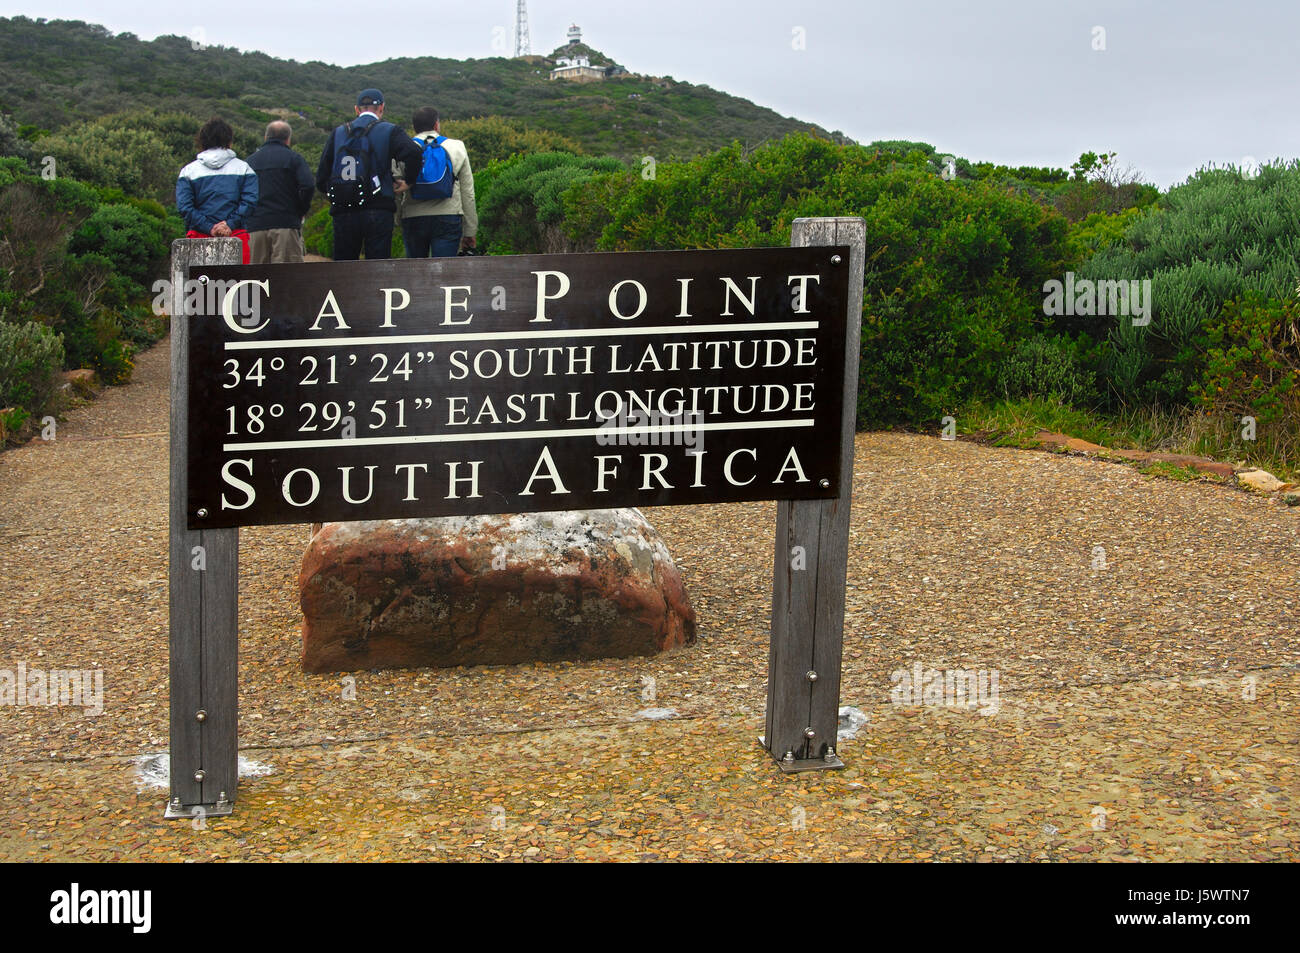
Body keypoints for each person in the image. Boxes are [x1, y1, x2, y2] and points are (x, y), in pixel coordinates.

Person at [315, 88, 422, 261]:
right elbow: (414, 154)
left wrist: (337, 193)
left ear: (356, 109)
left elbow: (321, 177)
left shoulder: (338, 133)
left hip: (343, 210)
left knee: (343, 268)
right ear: (381, 108)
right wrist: (408, 181)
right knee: (377, 267)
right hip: (378, 208)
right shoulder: (389, 130)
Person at [397, 107, 478, 258]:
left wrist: (398, 219)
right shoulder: (457, 147)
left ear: (415, 127)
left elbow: (396, 187)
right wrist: (470, 231)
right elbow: (468, 192)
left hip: (413, 216)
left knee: (416, 273)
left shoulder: (403, 148)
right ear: (436, 125)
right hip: (448, 216)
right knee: (445, 275)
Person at [176, 117, 258, 264]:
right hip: (236, 237)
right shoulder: (244, 169)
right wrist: (229, 224)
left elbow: (185, 207)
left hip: (198, 239)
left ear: (202, 141)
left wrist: (209, 228)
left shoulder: (188, 171)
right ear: (229, 141)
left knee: (201, 286)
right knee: (237, 285)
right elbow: (250, 202)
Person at [244, 120, 314, 264]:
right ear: (288, 139)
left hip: (255, 227)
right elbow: (308, 186)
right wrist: (300, 210)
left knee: (256, 280)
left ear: (266, 137)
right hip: (286, 225)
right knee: (288, 279)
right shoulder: (294, 159)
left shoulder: (249, 162)